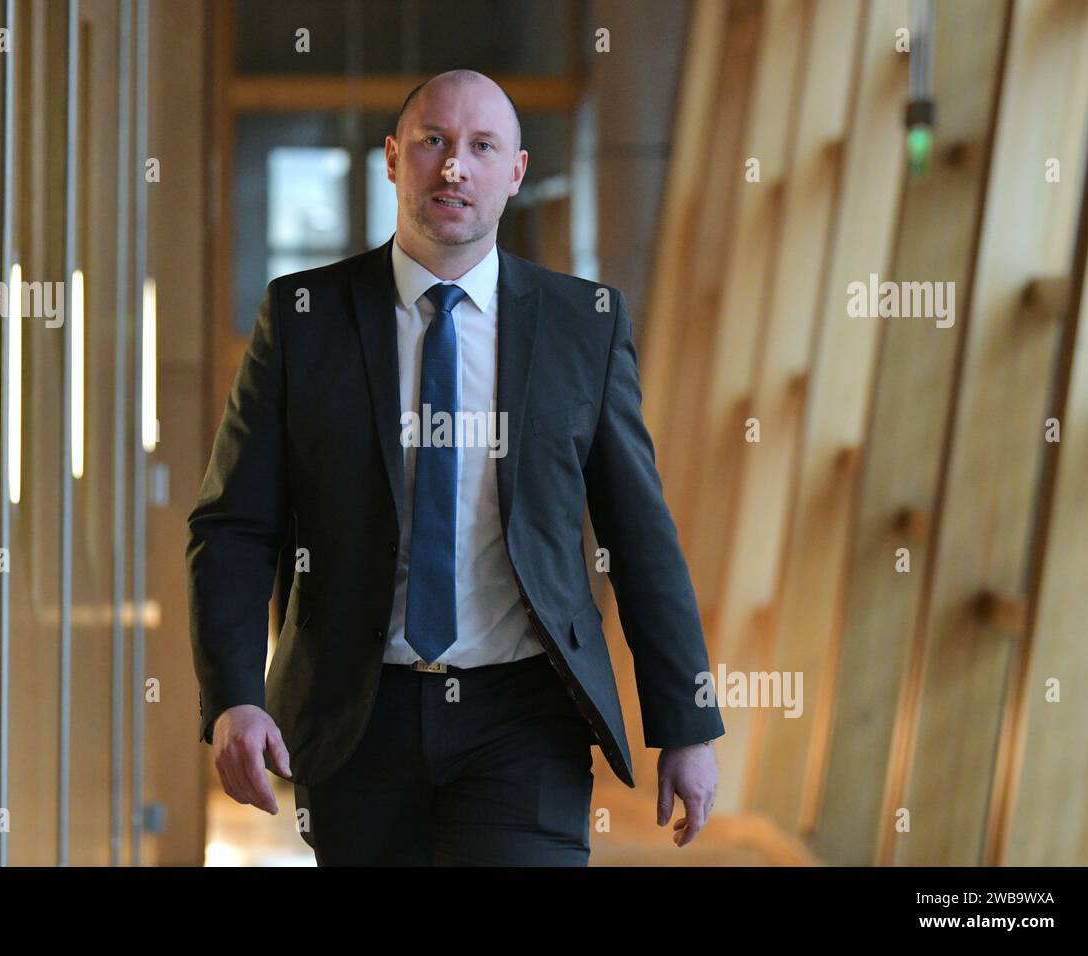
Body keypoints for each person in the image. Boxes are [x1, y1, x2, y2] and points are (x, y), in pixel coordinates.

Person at [187, 69, 723, 866]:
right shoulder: (305, 320)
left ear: (515, 172)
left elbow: (639, 532)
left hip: (525, 716)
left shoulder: (583, 326)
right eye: (434, 142)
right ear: (394, 159)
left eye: (481, 147)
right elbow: (234, 527)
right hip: (356, 718)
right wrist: (234, 696)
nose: (454, 167)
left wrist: (684, 721)